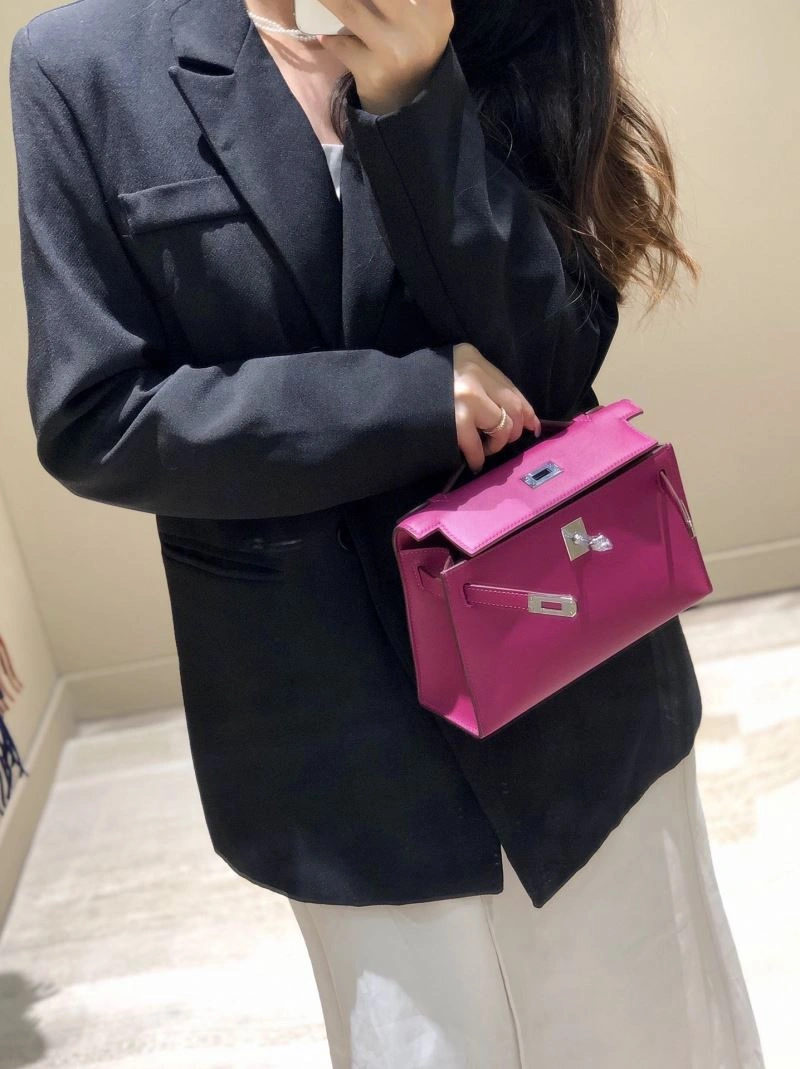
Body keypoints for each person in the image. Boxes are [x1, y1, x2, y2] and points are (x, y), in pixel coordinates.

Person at [9, 0, 765, 1065]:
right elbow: (98, 416)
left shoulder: (516, 18)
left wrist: (416, 100)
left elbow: (554, 356)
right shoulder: (84, 63)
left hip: (575, 682)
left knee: (658, 1027)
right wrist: (401, 403)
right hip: (333, 731)